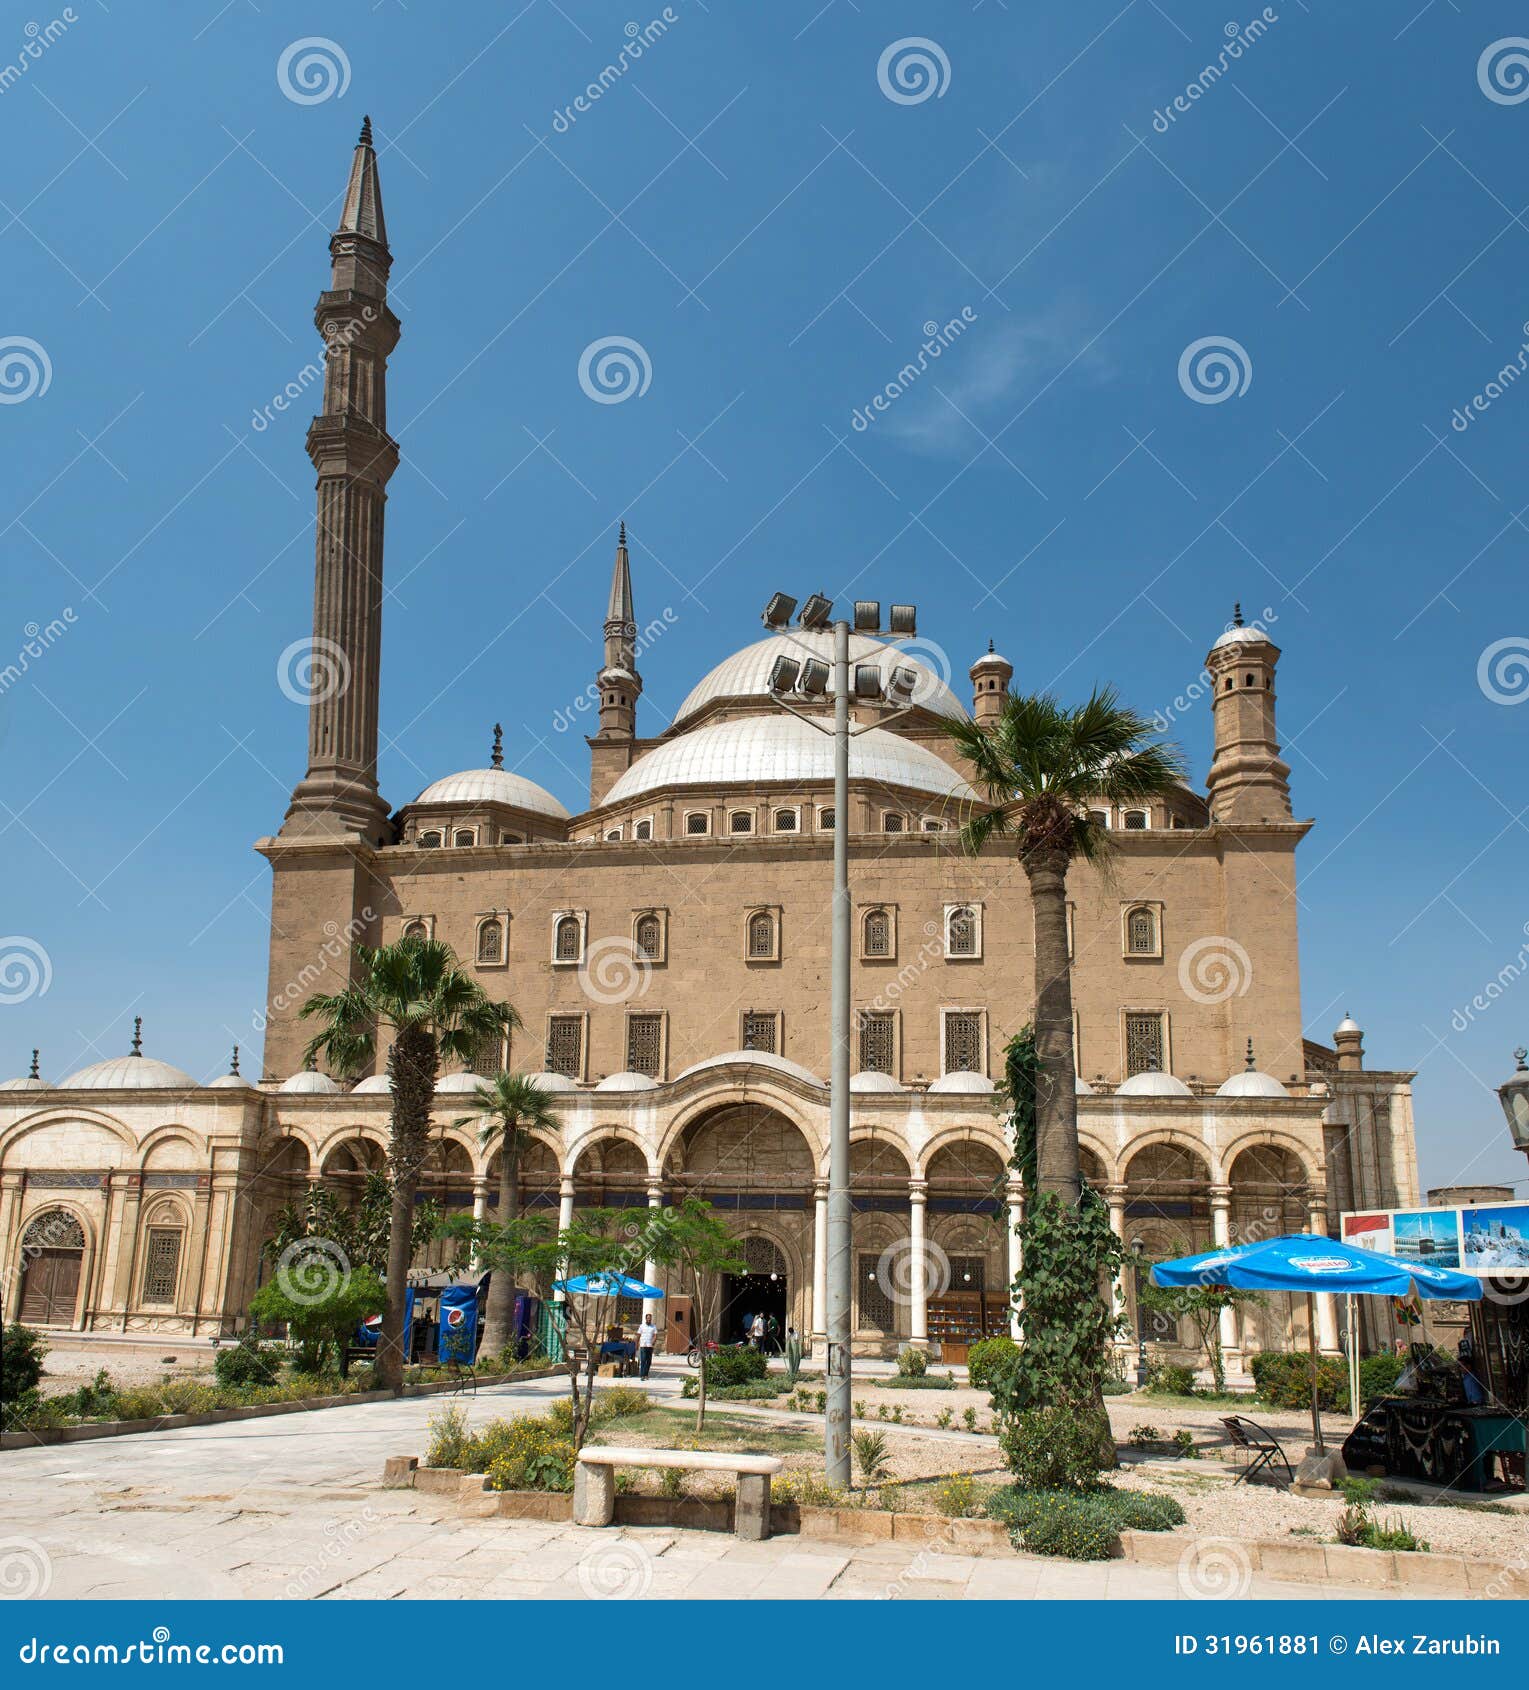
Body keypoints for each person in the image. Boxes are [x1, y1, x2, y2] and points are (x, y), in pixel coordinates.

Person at [636, 1312, 658, 1381]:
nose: (649, 1319)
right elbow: (638, 1335)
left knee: (648, 1361)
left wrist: (653, 1341)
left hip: (650, 1346)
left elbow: (655, 1335)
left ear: (651, 1319)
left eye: (650, 1318)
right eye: (648, 1318)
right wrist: (637, 1344)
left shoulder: (653, 1326)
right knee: (643, 1360)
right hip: (643, 1345)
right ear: (645, 1319)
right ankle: (642, 1375)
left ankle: (646, 1374)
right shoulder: (641, 1326)